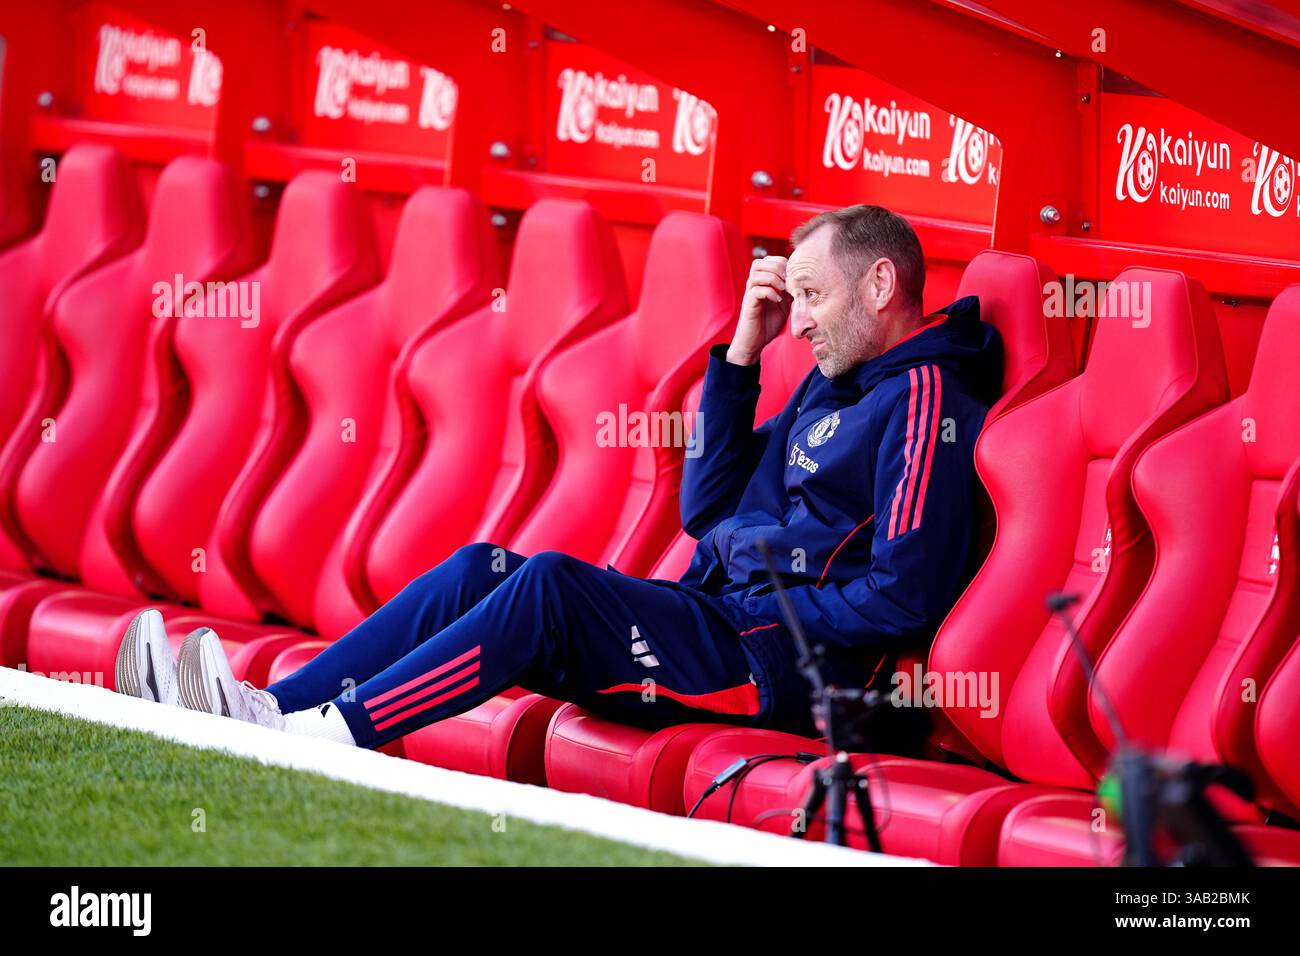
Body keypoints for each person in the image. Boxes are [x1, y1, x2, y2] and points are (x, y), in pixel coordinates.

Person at [115, 204, 1002, 752]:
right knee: (478, 568)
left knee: (546, 589)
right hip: (724, 619)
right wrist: (740, 354)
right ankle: (264, 708)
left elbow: (903, 598)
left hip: (789, 669)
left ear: (882, 283)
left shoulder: (926, 393)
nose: (797, 318)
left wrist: (763, 607)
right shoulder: (827, 380)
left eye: (811, 296)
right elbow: (706, 509)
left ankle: (331, 735)